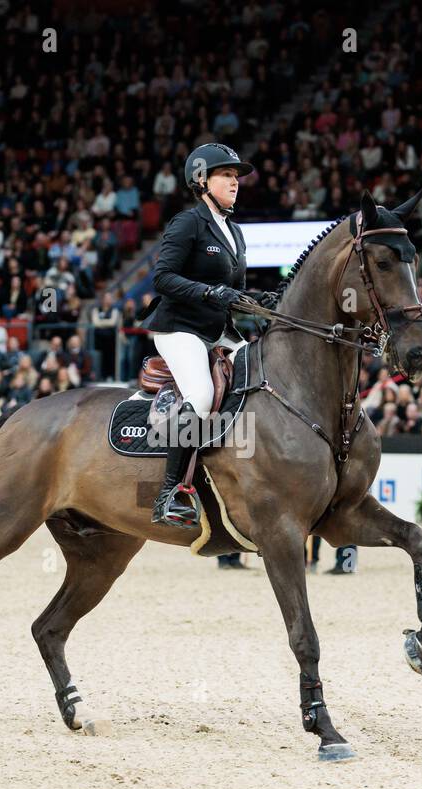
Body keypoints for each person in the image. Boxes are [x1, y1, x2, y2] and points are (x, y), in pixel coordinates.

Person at [142, 143, 273, 526]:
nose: (235, 182)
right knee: (199, 394)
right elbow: (163, 278)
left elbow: (235, 291)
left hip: (219, 330)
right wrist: (209, 291)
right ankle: (170, 493)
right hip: (180, 328)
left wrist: (263, 300)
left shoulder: (234, 232)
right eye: (226, 175)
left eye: (237, 177)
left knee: (263, 379)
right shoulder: (187, 223)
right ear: (202, 180)